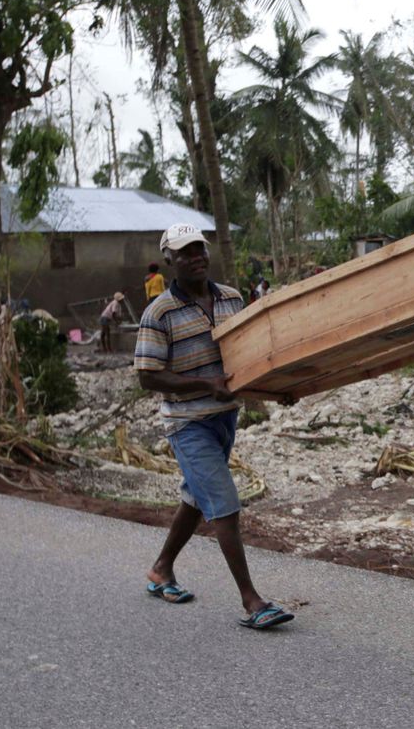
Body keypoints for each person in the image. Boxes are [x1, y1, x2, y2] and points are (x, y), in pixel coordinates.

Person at [133, 223, 294, 630]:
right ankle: (252, 601)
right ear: (170, 259)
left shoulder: (232, 299)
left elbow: (248, 356)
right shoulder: (158, 313)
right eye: (184, 252)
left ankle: (161, 569)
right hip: (188, 423)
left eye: (199, 250)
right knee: (223, 502)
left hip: (225, 416)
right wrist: (205, 385)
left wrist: (280, 389)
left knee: (195, 498)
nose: (195, 258)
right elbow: (148, 375)